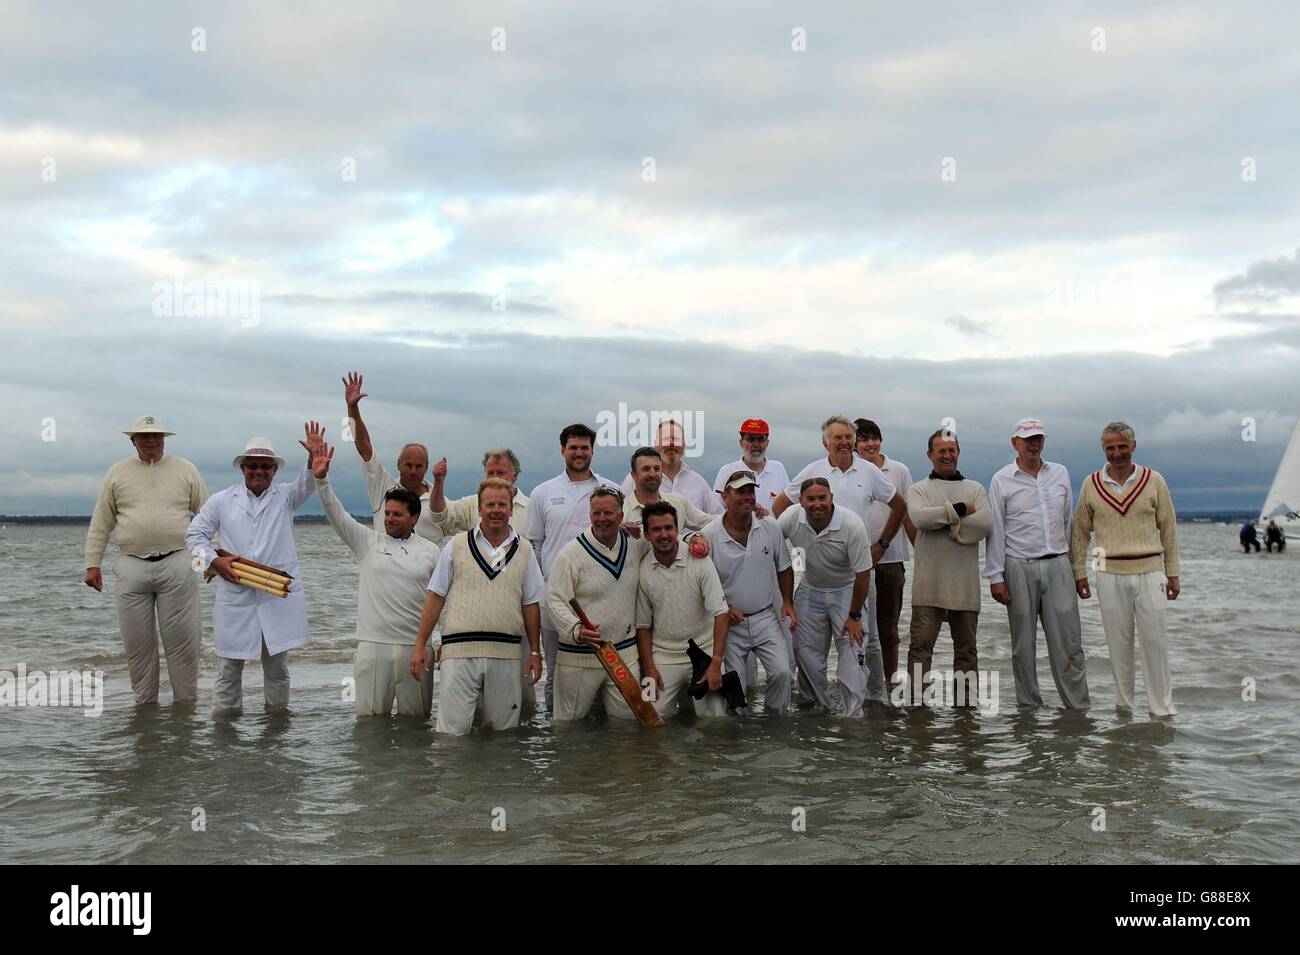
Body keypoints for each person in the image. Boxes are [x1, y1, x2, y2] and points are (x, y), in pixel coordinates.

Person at [186, 425, 323, 714]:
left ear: (274, 470)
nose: (258, 471)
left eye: (265, 466)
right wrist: (214, 562)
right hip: (236, 596)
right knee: (228, 669)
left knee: (277, 669)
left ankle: (277, 726)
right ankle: (224, 729)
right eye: (252, 466)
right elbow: (193, 537)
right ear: (243, 468)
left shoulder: (286, 497)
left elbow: (308, 483)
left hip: (275, 594)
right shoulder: (221, 500)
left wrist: (312, 458)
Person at [776, 416, 906, 702]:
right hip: (814, 578)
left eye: (849, 437)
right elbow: (780, 508)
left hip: (857, 573)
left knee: (866, 641)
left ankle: (874, 701)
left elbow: (899, 505)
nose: (844, 442)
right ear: (826, 443)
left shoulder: (869, 471)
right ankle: (815, 711)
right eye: (838, 438)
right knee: (808, 651)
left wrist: (881, 545)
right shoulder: (813, 470)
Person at [84, 415, 209, 705]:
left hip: (178, 561)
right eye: (144, 437)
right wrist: (93, 564)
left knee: (183, 645)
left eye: (157, 437)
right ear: (133, 440)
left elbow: (207, 516)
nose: (151, 441)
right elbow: (101, 520)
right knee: (137, 646)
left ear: (164, 439)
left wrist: (210, 560)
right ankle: (144, 709)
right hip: (131, 566)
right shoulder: (117, 472)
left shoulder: (186, 470)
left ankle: (186, 707)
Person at [312, 438, 441, 717]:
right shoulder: (367, 542)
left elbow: (442, 601)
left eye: (398, 514)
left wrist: (441, 642)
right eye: (387, 513)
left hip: (416, 650)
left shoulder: (432, 552)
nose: (390, 518)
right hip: (372, 648)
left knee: (416, 729)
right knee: (368, 728)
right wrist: (322, 481)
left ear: (415, 517)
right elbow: (337, 513)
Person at [410, 479, 544, 735]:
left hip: (506, 655)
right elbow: (435, 596)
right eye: (490, 504)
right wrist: (420, 645)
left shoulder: (525, 550)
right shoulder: (456, 545)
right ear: (480, 509)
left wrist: (535, 653)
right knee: (451, 735)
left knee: (504, 736)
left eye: (502, 504)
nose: (496, 510)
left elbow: (531, 604)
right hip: (459, 654)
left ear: (511, 509)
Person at [1072, 421, 1181, 717]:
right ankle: (1124, 710)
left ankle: (1162, 711)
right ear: (1103, 450)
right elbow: (1079, 532)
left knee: (1155, 644)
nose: (1117, 453)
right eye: (1110, 448)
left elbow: (1168, 528)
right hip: (1107, 574)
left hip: (1150, 572)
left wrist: (1173, 573)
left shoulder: (1154, 480)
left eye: (1122, 446)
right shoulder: (1090, 484)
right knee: (1118, 648)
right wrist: (1079, 573)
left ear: (1133, 447)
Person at [984, 418, 1090, 710]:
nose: (1034, 444)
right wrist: (995, 576)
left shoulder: (1060, 473)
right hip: (1018, 565)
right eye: (1028, 438)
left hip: (1058, 564)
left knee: (1069, 642)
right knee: (1023, 646)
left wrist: (1077, 568)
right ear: (1014, 442)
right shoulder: (1001, 479)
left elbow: (1069, 523)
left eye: (1038, 438)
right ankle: (1028, 710)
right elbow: (996, 530)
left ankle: (1077, 708)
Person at [423, 448, 533, 713]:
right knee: (467, 706)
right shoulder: (474, 503)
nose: (496, 478)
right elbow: (441, 515)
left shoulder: (531, 508)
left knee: (519, 697)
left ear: (515, 475)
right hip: (471, 623)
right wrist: (438, 484)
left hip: (516, 615)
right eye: (490, 473)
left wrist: (536, 649)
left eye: (502, 473)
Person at [525, 424, 620, 712]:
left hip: (602, 596)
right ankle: (559, 735)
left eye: (585, 447)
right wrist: (546, 585)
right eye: (573, 447)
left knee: (605, 668)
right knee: (557, 671)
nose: (579, 453)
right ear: (563, 450)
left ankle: (600, 735)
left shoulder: (610, 490)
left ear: (592, 450)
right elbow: (535, 545)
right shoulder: (543, 492)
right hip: (556, 599)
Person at [905, 429, 993, 707]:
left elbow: (985, 524)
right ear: (930, 455)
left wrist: (946, 521)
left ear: (958, 453)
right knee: (920, 649)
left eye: (951, 450)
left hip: (964, 585)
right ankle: (917, 708)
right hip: (927, 584)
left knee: (967, 651)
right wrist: (960, 510)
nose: (947, 455)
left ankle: (965, 710)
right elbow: (920, 518)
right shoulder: (918, 489)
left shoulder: (976, 489)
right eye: (941, 450)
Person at [544, 487, 645, 722]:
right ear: (589, 515)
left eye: (608, 513)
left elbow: (667, 541)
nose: (602, 519)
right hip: (580, 654)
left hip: (624, 653)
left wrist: (693, 538)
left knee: (628, 728)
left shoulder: (635, 544)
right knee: (567, 727)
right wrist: (576, 630)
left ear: (621, 516)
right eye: (596, 513)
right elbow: (554, 599)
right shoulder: (570, 554)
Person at [700, 471, 796, 712]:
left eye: (751, 491)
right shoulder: (709, 534)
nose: (747, 496)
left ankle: (775, 725)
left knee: (782, 673)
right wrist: (725, 609)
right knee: (736, 684)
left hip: (766, 616)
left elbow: (784, 567)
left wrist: (787, 602)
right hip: (729, 622)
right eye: (740, 491)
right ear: (724, 496)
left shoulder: (769, 526)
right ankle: (738, 735)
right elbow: (702, 583)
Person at [778, 478, 875, 715]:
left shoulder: (852, 524)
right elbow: (768, 541)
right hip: (811, 589)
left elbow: (863, 575)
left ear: (832, 498)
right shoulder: (791, 518)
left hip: (848, 591)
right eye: (810, 499)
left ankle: (853, 716)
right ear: (800, 502)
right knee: (806, 655)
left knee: (853, 656)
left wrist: (854, 616)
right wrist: (787, 601)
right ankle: (818, 712)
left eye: (822, 498)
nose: (817, 504)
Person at [636, 501, 731, 719]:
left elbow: (721, 613)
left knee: (716, 719)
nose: (664, 534)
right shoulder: (642, 569)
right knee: (649, 715)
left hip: (704, 651)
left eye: (669, 528)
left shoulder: (700, 560)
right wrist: (649, 668)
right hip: (662, 655)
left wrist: (717, 662)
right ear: (647, 534)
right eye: (657, 529)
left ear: (678, 530)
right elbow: (642, 626)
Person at [853, 418, 917, 689]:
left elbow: (907, 515)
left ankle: (890, 683)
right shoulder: (851, 471)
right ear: (854, 445)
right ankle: (861, 682)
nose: (870, 444)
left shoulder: (898, 470)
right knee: (857, 628)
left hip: (890, 560)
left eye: (874, 438)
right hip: (857, 564)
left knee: (888, 629)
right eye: (864, 439)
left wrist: (921, 555)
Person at [342, 371, 440, 543]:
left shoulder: (439, 503)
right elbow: (364, 447)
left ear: (427, 467)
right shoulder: (382, 488)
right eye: (408, 465)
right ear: (398, 464)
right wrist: (352, 408)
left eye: (418, 466)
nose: (413, 471)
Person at [621, 418, 720, 514]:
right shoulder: (634, 479)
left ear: (684, 444)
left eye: (676, 439)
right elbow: (618, 512)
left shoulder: (698, 482)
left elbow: (717, 517)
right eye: (666, 439)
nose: (671, 443)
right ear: (656, 444)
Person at [623, 446, 716, 532]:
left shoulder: (678, 503)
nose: (652, 474)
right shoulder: (622, 511)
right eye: (646, 469)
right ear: (633, 475)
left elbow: (710, 522)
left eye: (657, 469)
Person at [712, 418, 790, 512]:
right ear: (741, 443)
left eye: (761, 439)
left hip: (773, 527)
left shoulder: (778, 468)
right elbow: (716, 510)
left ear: (767, 443)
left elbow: (788, 505)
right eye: (751, 439)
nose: (756, 444)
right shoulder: (726, 471)